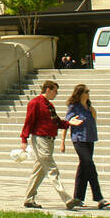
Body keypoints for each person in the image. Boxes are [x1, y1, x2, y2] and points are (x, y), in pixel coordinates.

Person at [20, 80, 81, 210]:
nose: (56, 94)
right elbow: (28, 121)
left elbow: (57, 122)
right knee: (52, 169)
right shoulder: (35, 103)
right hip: (41, 140)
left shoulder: (49, 105)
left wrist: (69, 123)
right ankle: (67, 199)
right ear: (48, 89)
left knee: (39, 171)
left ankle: (28, 199)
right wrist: (24, 138)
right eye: (55, 91)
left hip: (49, 140)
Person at [66, 84, 109, 209]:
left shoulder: (89, 107)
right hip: (79, 139)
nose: (88, 93)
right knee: (89, 164)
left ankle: (78, 198)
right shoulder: (74, 107)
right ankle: (99, 197)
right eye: (86, 91)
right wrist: (63, 140)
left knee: (84, 166)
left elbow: (94, 119)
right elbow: (68, 121)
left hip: (90, 138)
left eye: (88, 91)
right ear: (80, 94)